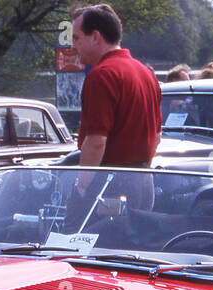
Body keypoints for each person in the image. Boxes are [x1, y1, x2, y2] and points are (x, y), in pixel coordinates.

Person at [69, 4, 161, 168]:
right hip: (144, 181)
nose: (73, 47)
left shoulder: (101, 76)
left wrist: (82, 187)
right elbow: (157, 136)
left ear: (95, 37)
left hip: (110, 183)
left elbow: (96, 142)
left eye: (76, 38)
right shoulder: (147, 73)